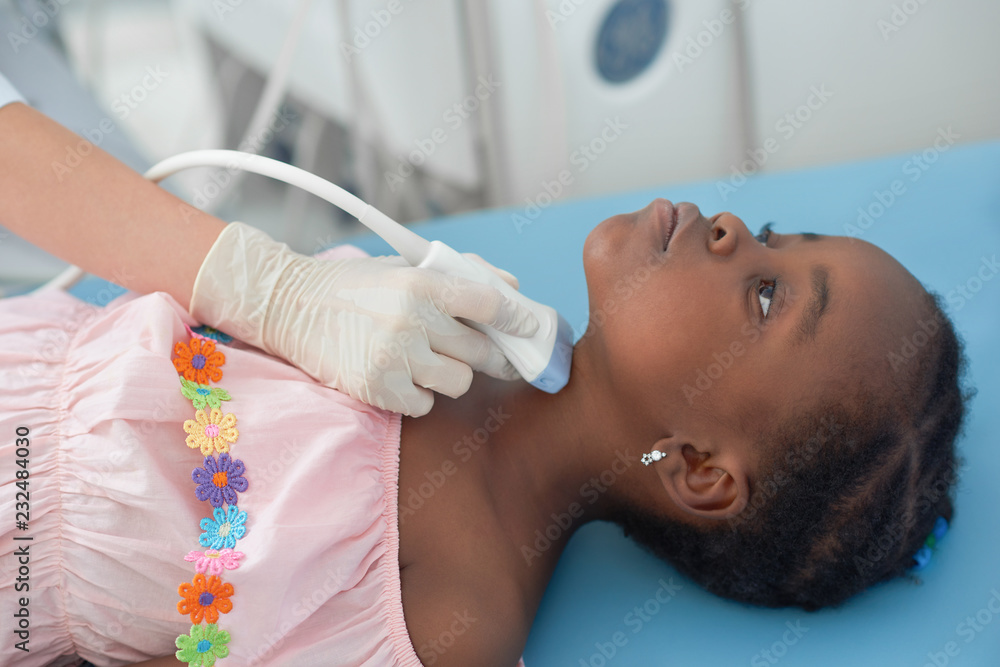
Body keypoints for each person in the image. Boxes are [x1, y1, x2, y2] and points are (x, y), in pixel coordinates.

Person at [0, 98, 968, 666]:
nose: (731, 229)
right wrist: (276, 290)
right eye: (778, 233)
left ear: (698, 470)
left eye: (765, 296)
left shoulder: (455, 615)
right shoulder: (434, 316)